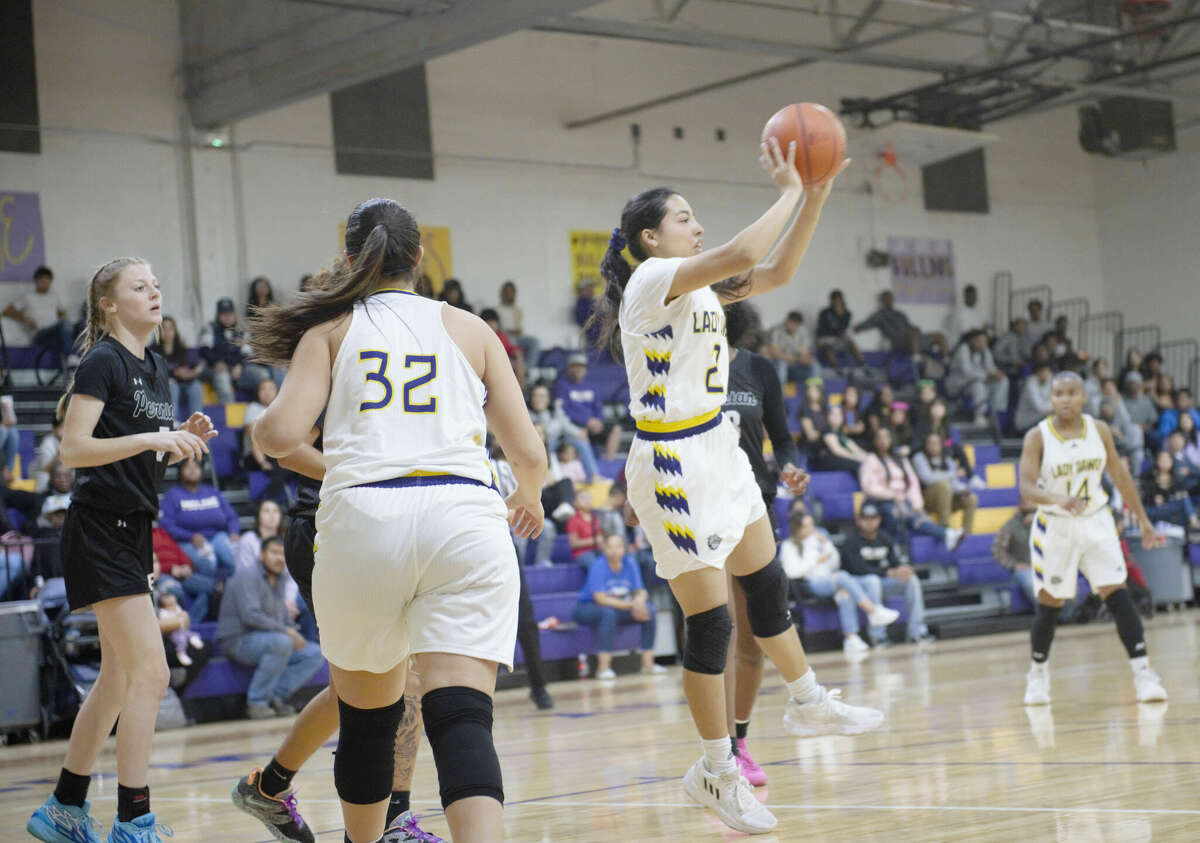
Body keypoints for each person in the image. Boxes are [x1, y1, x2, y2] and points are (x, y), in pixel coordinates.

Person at [589, 140, 880, 835]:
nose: (696, 225)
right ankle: (715, 771)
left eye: (695, 217)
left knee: (768, 582)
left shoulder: (694, 285)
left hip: (719, 447)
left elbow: (774, 268)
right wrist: (786, 185)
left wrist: (815, 194)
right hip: (672, 464)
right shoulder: (653, 280)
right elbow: (748, 250)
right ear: (651, 236)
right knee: (713, 622)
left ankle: (807, 696)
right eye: (684, 218)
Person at [248, 198, 546, 843]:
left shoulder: (328, 332)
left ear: (352, 261)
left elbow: (277, 434)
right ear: (419, 258)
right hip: (465, 516)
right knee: (463, 716)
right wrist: (532, 495)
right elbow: (527, 453)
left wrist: (349, 466)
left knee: (368, 720)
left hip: (363, 522)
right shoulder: (471, 328)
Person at [26, 257, 216, 843]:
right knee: (149, 674)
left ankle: (62, 809)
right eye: (139, 286)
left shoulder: (155, 364)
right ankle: (134, 821)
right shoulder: (103, 360)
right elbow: (76, 449)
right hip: (98, 528)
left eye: (157, 284)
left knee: (115, 680)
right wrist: (152, 437)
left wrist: (174, 444)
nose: (154, 292)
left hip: (132, 530)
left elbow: (133, 452)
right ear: (108, 303)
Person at [232, 411, 444, 842]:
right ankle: (390, 824)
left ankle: (268, 787)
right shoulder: (341, 356)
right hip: (331, 527)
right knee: (398, 679)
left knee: (359, 687)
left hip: (372, 527)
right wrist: (360, 474)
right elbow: (284, 444)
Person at [1018, 371, 1168, 706]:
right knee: (1050, 602)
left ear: (1083, 396)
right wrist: (1056, 498)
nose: (1065, 399)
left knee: (1117, 592)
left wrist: (1143, 520)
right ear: (1051, 399)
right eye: (1059, 394)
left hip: (1096, 521)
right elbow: (1026, 487)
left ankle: (1144, 675)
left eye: (1072, 392)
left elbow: (1118, 473)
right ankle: (1038, 676)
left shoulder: (1098, 430)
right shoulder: (1037, 436)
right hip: (1055, 526)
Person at [719, 300, 808, 787]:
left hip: (754, 508)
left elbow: (783, 436)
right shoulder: (682, 362)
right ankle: (718, 749)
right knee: (716, 631)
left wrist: (790, 465)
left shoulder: (759, 369)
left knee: (751, 636)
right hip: (701, 511)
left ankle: (740, 740)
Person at [216, 536, 325, 719]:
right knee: (282, 642)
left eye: (283, 554)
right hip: (238, 640)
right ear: (261, 555)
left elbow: (281, 614)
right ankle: (256, 703)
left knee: (313, 653)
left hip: (269, 638)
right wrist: (287, 631)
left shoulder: (281, 578)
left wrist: (291, 630)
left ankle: (275, 696)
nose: (279, 558)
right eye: (274, 552)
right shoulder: (247, 575)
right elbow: (251, 615)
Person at [778, 511, 898, 657]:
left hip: (831, 579)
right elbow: (792, 572)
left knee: (859, 586)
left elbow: (835, 563)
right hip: (810, 583)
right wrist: (816, 560)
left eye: (812, 525)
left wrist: (827, 547)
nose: (811, 529)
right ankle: (873, 611)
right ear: (797, 528)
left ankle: (851, 638)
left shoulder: (818, 540)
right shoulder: (789, 546)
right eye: (807, 526)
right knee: (842, 577)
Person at [841, 502, 934, 645]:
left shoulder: (885, 538)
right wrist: (889, 572)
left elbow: (894, 562)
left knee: (912, 580)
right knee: (873, 580)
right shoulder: (851, 541)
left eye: (873, 518)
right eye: (866, 518)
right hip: (859, 585)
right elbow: (858, 568)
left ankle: (917, 631)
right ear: (859, 520)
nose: (869, 522)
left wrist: (903, 569)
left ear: (879, 520)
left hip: (881, 582)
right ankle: (878, 636)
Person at [573, 533, 662, 679]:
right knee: (607, 613)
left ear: (624, 548)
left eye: (618, 546)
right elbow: (600, 599)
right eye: (610, 547)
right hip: (587, 607)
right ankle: (603, 668)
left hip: (617, 608)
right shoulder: (599, 565)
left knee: (649, 610)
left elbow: (640, 590)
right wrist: (631, 605)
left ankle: (648, 664)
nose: (614, 550)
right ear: (603, 549)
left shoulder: (630, 562)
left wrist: (639, 603)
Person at [860, 427, 963, 550]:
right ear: (875, 441)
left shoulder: (900, 459)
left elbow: (912, 483)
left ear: (891, 439)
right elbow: (869, 486)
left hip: (903, 501)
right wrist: (893, 496)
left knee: (917, 516)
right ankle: (892, 548)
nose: (883, 441)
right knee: (894, 512)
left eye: (886, 437)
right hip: (880, 500)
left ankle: (946, 534)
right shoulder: (870, 459)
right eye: (880, 438)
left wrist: (917, 505)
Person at [158, 457, 240, 609]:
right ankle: (213, 596)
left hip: (217, 536)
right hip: (187, 541)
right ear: (180, 472)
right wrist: (190, 536)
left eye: (196, 466)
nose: (192, 469)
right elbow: (166, 525)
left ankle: (233, 596)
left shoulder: (213, 492)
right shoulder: (172, 495)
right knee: (208, 561)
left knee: (232, 555)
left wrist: (234, 532)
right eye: (187, 467)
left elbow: (231, 516)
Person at [199, 297, 276, 403]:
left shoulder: (241, 330)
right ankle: (230, 412)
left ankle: (260, 409)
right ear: (217, 315)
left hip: (238, 369)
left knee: (263, 375)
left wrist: (240, 365)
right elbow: (204, 350)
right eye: (223, 314)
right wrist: (217, 362)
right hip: (214, 369)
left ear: (234, 315)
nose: (227, 317)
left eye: (230, 314)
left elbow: (248, 353)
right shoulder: (209, 328)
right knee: (223, 377)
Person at [555, 351, 623, 461]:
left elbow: (598, 406)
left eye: (582, 367)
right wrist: (586, 421)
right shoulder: (562, 385)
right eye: (575, 366)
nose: (579, 370)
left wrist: (598, 421)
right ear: (569, 368)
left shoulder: (591, 386)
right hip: (575, 424)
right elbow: (564, 410)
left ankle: (608, 462)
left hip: (593, 423)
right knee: (580, 434)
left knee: (616, 429)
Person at [4, 264, 77, 366]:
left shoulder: (54, 296)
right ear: (36, 281)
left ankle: (85, 358)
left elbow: (62, 313)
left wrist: (64, 319)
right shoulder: (28, 296)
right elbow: (7, 311)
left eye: (48, 281)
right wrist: (24, 318)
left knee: (80, 325)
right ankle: (71, 356)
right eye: (42, 281)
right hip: (39, 334)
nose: (45, 284)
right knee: (63, 326)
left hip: (55, 332)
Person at [527, 382, 600, 482]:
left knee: (581, 441)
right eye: (536, 396)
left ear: (548, 399)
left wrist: (578, 432)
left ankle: (594, 475)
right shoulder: (526, 413)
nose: (539, 399)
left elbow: (565, 424)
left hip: (559, 440)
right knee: (546, 441)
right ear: (531, 398)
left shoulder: (555, 409)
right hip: (541, 444)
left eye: (542, 396)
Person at [912, 432, 978, 536]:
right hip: (926, 500)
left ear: (941, 445)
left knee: (971, 499)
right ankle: (944, 528)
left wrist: (962, 491)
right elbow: (927, 478)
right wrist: (952, 474)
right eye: (930, 444)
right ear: (925, 445)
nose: (933, 447)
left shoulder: (947, 460)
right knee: (943, 485)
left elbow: (955, 482)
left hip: (946, 499)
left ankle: (967, 534)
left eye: (936, 444)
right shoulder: (919, 457)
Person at [946, 329, 1009, 424]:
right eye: (980, 341)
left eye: (985, 341)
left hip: (980, 381)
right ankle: (980, 415)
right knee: (978, 385)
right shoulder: (963, 349)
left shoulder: (985, 351)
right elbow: (967, 372)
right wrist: (988, 375)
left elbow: (990, 367)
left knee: (1003, 381)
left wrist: (997, 373)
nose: (983, 344)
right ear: (972, 341)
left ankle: (996, 413)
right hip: (959, 384)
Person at [1142, 450, 1200, 529]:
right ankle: (1193, 521)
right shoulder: (1150, 478)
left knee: (1184, 498)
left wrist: (1169, 498)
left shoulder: (1175, 479)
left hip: (1169, 508)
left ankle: (1191, 524)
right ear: (1157, 461)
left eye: (1167, 460)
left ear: (1171, 462)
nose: (1164, 463)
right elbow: (1145, 498)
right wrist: (1154, 498)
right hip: (1154, 510)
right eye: (1162, 460)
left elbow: (1175, 496)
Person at [811, 404, 869, 473]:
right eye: (833, 414)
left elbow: (853, 447)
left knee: (868, 463)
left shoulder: (840, 432)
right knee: (860, 466)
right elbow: (837, 450)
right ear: (828, 417)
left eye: (839, 415)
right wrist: (856, 457)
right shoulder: (826, 430)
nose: (836, 417)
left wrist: (868, 458)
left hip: (837, 459)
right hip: (825, 460)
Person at [764, 310, 817, 385]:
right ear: (787, 321)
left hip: (796, 366)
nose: (793, 326)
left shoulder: (802, 332)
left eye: (796, 324)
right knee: (782, 364)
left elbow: (804, 353)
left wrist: (805, 358)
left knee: (815, 365)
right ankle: (780, 394)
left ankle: (815, 392)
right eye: (791, 323)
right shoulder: (777, 331)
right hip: (778, 367)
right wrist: (795, 359)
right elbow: (774, 353)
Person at [496, 280, 540, 369]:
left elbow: (519, 328)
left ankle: (527, 369)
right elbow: (498, 329)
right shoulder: (497, 310)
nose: (509, 294)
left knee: (534, 341)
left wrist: (517, 332)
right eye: (507, 291)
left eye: (511, 291)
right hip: (504, 337)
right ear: (503, 293)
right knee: (510, 340)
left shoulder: (517, 310)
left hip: (517, 337)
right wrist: (509, 332)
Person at [815, 289, 863, 368]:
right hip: (826, 338)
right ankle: (835, 366)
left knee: (851, 343)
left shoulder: (847, 313)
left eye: (839, 300)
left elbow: (844, 328)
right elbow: (822, 330)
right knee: (828, 347)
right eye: (835, 300)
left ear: (842, 300)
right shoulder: (825, 313)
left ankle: (863, 364)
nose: (837, 302)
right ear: (831, 301)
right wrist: (836, 332)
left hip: (839, 338)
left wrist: (842, 334)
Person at [156, 591, 203, 667]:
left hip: (181, 630)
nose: (174, 606)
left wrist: (179, 621)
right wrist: (178, 621)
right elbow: (167, 624)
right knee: (182, 640)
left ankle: (194, 640)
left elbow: (185, 618)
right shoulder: (163, 612)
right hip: (172, 634)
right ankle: (181, 653)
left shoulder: (177, 608)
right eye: (170, 605)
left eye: (175, 603)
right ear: (163, 606)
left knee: (192, 634)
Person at [235, 498, 284, 570]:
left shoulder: (288, 539)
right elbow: (244, 570)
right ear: (258, 516)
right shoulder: (248, 540)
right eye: (266, 511)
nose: (272, 515)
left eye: (275, 511)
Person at [1015, 361, 1054, 433]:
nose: (1046, 374)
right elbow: (1040, 408)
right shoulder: (1030, 383)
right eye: (1043, 371)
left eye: (1048, 371)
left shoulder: (1051, 382)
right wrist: (1055, 407)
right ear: (1037, 372)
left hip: (1040, 420)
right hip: (1026, 423)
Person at [566, 489, 602, 561]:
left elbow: (600, 537)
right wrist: (593, 541)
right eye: (583, 498)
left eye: (589, 498)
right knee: (594, 563)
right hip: (582, 554)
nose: (587, 500)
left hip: (597, 550)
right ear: (575, 502)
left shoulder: (595, 518)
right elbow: (573, 543)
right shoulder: (574, 520)